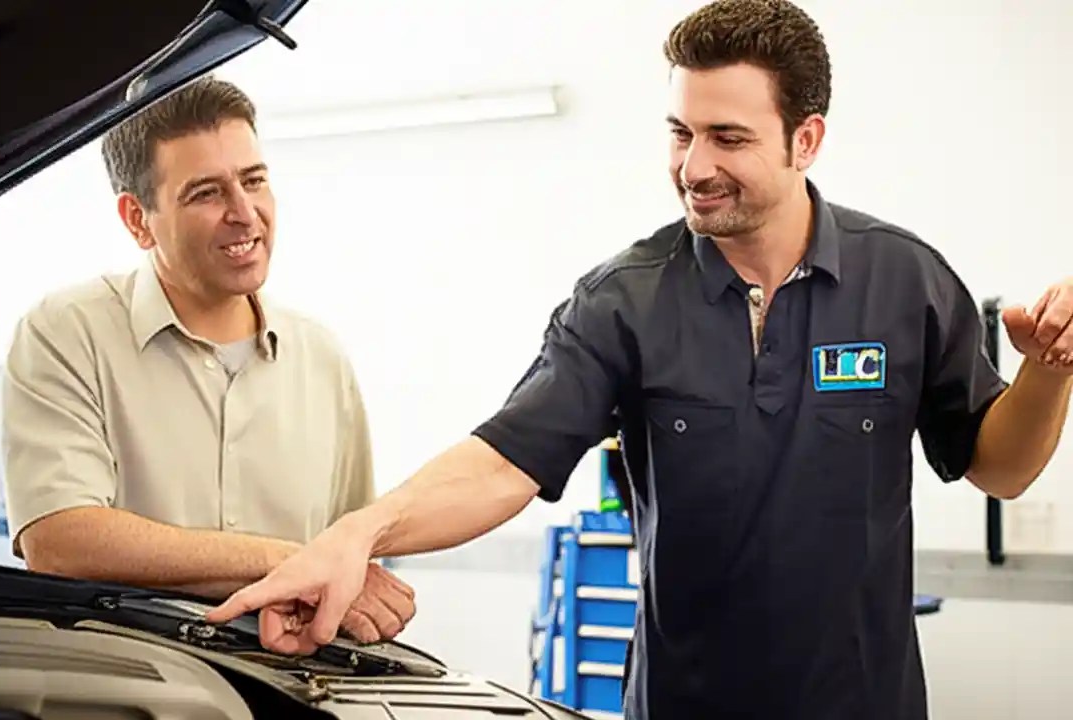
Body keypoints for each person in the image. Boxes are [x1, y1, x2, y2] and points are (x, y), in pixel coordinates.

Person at [206, 1, 1073, 717]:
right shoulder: (625, 300)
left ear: (805, 140)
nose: (693, 166)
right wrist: (360, 533)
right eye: (679, 132)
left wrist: (1049, 370)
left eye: (727, 138)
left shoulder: (904, 280)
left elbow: (998, 467)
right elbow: (505, 461)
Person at [1, 76, 415, 645]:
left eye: (254, 181)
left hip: (287, 690)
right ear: (137, 219)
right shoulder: (68, 332)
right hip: (120, 692)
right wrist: (287, 561)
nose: (245, 213)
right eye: (206, 193)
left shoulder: (321, 359)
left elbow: (347, 558)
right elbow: (60, 541)